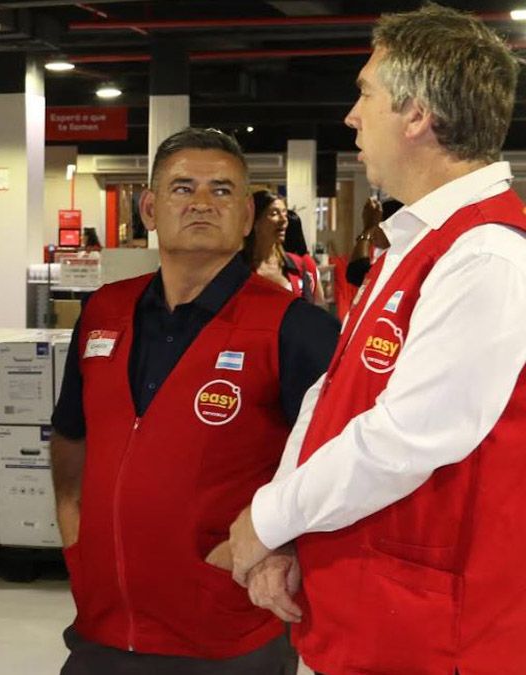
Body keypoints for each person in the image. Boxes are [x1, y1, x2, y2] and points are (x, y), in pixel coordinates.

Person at [224, 6, 526, 674]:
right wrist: (286, 532)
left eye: (365, 93)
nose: (351, 116)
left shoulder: (488, 257)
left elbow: (406, 435)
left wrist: (269, 518)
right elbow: (333, 398)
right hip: (369, 616)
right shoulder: (414, 243)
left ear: (416, 115)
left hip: (435, 634)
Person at [49, 127, 339, 674]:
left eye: (223, 190)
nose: (203, 202)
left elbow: (340, 464)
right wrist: (76, 539)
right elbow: (71, 433)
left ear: (248, 217)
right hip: (102, 630)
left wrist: (287, 548)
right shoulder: (103, 314)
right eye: (183, 188)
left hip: (228, 632)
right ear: (150, 208)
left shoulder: (295, 329)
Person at [247, 190, 326, 305]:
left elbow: (310, 309)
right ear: (255, 221)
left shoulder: (297, 265)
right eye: (274, 213)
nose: (284, 220)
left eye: (284, 213)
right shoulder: (238, 267)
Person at [344, 196, 395, 288]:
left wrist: (368, 228)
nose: (372, 235)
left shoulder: (397, 256)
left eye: (376, 228)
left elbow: (357, 274)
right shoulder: (381, 252)